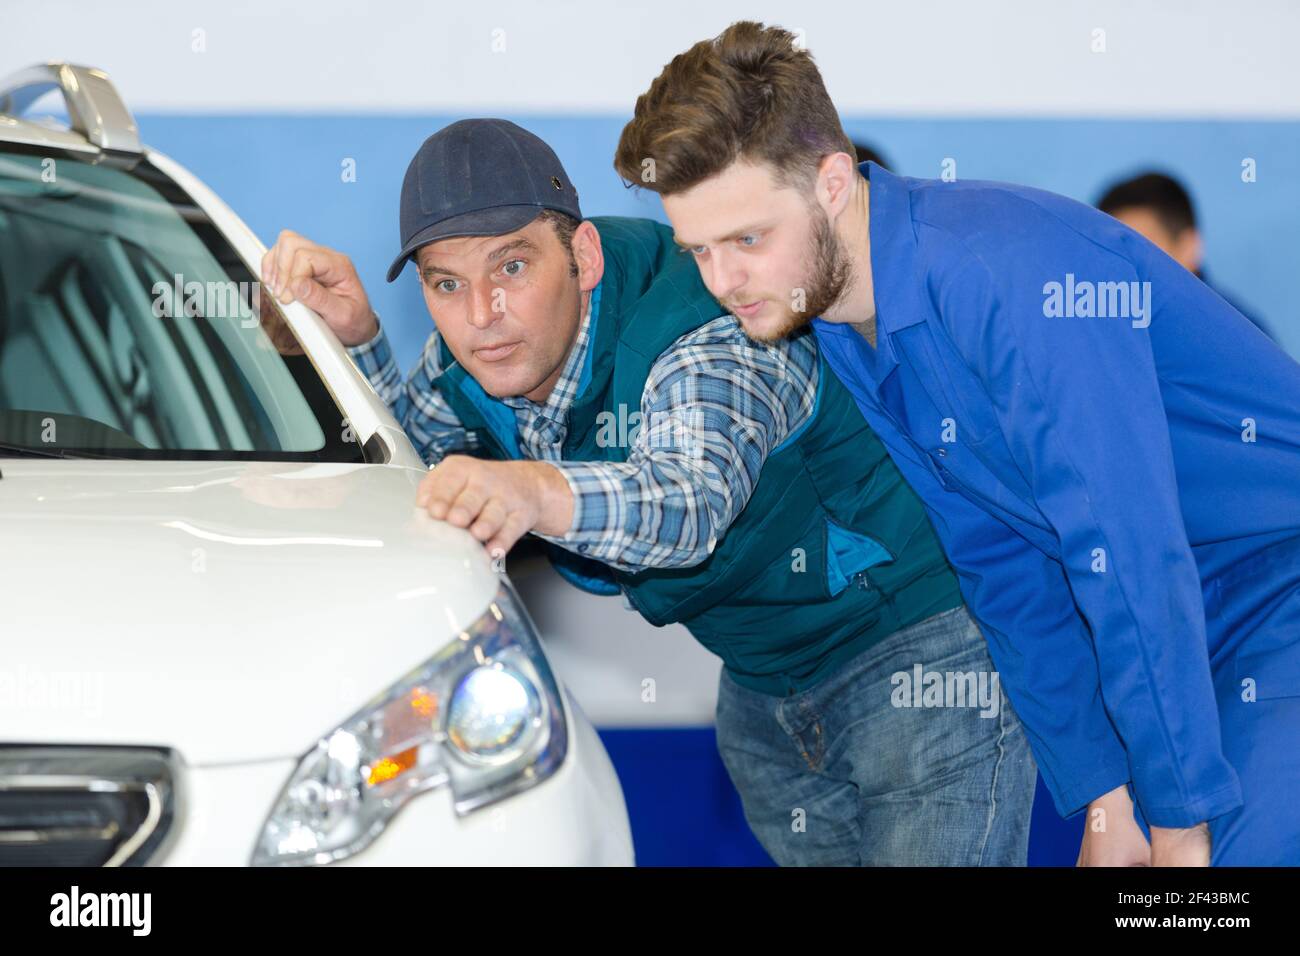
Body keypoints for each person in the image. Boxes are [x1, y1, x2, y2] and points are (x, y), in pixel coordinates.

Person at [260, 118, 1037, 866]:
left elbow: (688, 500)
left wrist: (532, 490)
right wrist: (350, 345)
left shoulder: (709, 323)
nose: (481, 314)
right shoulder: (472, 355)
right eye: (446, 282)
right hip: (763, 693)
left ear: (585, 256)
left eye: (513, 267)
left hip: (922, 658)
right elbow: (403, 484)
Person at [616, 20, 1300, 865]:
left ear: (833, 182)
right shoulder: (836, 319)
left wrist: (1177, 818)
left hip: (1275, 587)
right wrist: (1103, 797)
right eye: (699, 252)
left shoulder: (1005, 277)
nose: (723, 284)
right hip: (1177, 620)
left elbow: (1125, 551)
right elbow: (1001, 564)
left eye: (747, 239)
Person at [1097, 171, 1275, 340]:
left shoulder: (1243, 338)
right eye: (1112, 250)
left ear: (1188, 248)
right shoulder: (1101, 319)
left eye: (1142, 250)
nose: (1125, 264)